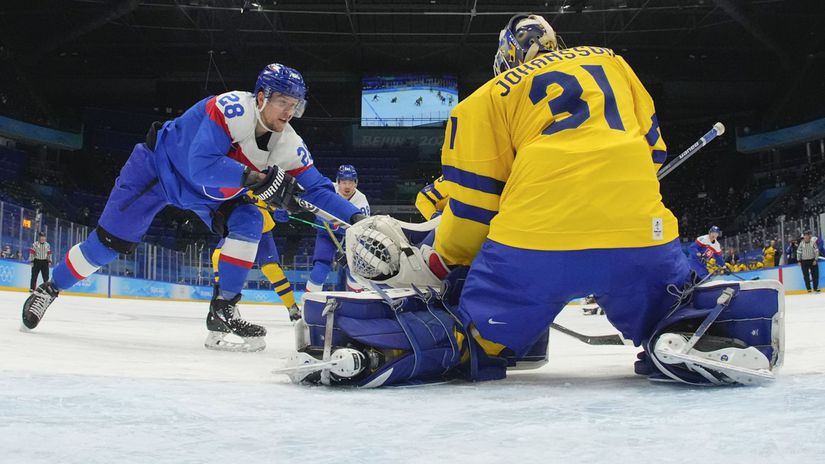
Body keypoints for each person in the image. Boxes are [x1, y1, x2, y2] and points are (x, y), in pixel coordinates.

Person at [288, 14, 783, 387]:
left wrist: (445, 262)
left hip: (534, 250)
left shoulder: (483, 100)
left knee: (469, 337)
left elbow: (474, 210)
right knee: (669, 308)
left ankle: (365, 349)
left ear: (505, 57)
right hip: (639, 240)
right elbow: (652, 153)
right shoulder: (613, 62)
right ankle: (695, 335)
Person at [21, 63, 363, 352]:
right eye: (283, 103)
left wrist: (361, 220)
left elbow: (317, 188)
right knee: (106, 246)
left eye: (295, 105)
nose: (289, 113)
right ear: (261, 97)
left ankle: (223, 309)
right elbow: (200, 166)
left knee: (249, 220)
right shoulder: (230, 110)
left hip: (211, 192)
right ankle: (49, 288)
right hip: (159, 169)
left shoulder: (289, 143)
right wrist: (256, 178)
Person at [305, 165, 370, 292]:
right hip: (326, 235)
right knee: (320, 269)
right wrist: (286, 209)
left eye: (351, 182)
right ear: (337, 182)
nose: (347, 186)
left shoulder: (361, 201)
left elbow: (362, 231)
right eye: (344, 182)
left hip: (352, 239)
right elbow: (305, 194)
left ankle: (356, 305)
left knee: (355, 271)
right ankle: (309, 303)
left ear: (356, 183)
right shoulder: (326, 189)